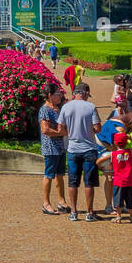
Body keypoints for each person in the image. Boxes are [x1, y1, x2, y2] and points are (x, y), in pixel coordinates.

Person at [57, 82, 103, 221]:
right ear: (86, 93)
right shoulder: (90, 107)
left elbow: (60, 129)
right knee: (89, 182)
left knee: (73, 182)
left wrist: (70, 133)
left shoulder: (66, 107)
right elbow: (98, 128)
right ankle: (89, 212)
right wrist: (89, 131)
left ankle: (74, 212)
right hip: (89, 148)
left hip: (72, 148)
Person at [38, 81, 69, 215]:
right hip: (50, 147)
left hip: (60, 147)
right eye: (57, 94)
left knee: (60, 174)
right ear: (50, 95)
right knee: (49, 175)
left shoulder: (58, 108)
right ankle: (46, 203)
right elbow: (45, 130)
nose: (60, 96)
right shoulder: (45, 109)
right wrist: (61, 133)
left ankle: (61, 201)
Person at [110, 130, 132, 222]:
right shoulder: (129, 152)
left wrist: (103, 167)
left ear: (115, 142)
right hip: (129, 180)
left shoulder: (113, 154)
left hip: (118, 181)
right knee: (130, 199)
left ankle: (118, 216)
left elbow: (99, 161)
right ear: (126, 142)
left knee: (118, 199)